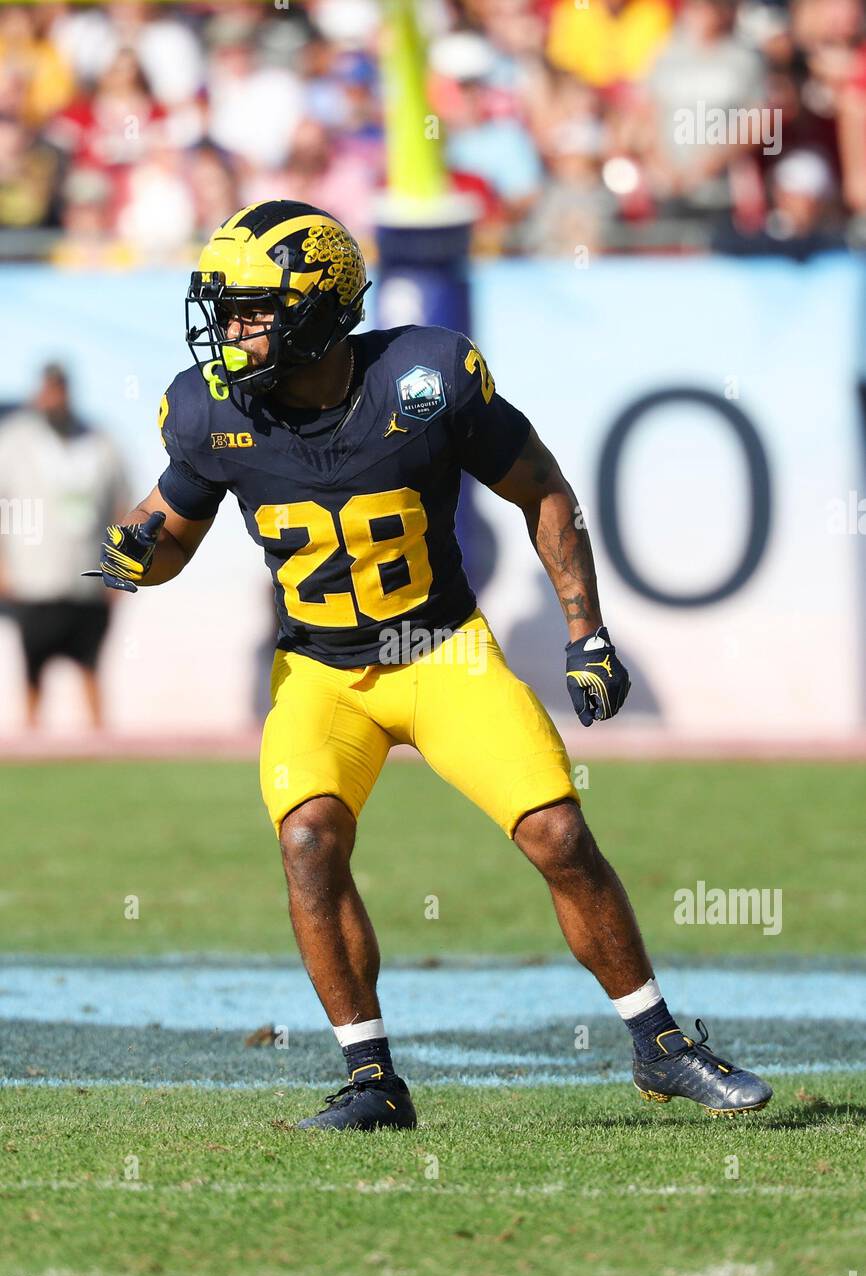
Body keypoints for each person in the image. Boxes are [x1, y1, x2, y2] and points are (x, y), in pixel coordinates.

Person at [86, 200, 772, 1129]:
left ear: (321, 308)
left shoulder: (426, 377)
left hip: (443, 652)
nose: (232, 330)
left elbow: (546, 492)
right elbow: (164, 536)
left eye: (252, 308)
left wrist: (587, 632)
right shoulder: (211, 411)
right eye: (227, 307)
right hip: (320, 673)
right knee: (308, 843)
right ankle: (373, 1081)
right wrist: (134, 555)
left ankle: (659, 1046)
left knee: (560, 837)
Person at [0, 364, 127, 727]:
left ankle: (102, 751)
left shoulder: (101, 441)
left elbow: (122, 509)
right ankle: (31, 752)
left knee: (90, 668)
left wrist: (118, 570)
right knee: (32, 672)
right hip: (34, 581)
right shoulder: (14, 441)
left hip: (87, 580)